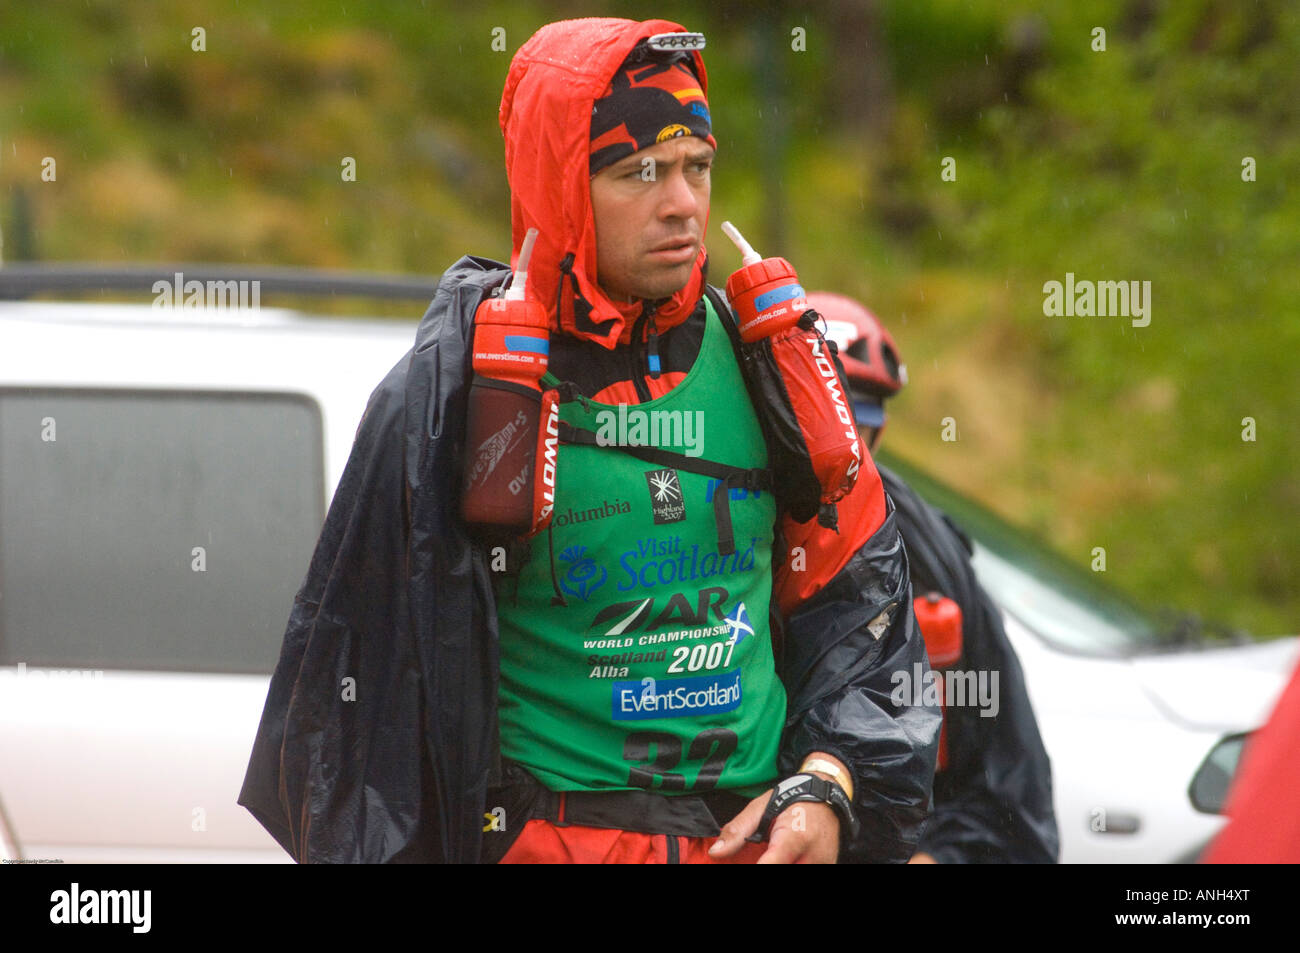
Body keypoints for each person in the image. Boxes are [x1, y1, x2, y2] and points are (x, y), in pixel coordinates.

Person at [239, 18, 939, 864]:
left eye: (697, 166)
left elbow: (863, 612)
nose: (682, 203)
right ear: (562, 183)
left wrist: (827, 779)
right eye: (638, 172)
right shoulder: (454, 391)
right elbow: (352, 717)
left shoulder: (769, 366)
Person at [799, 290, 1060, 863]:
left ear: (879, 433)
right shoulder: (714, 538)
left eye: (853, 430)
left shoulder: (930, 554)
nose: (833, 457)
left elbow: (1008, 796)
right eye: (808, 429)